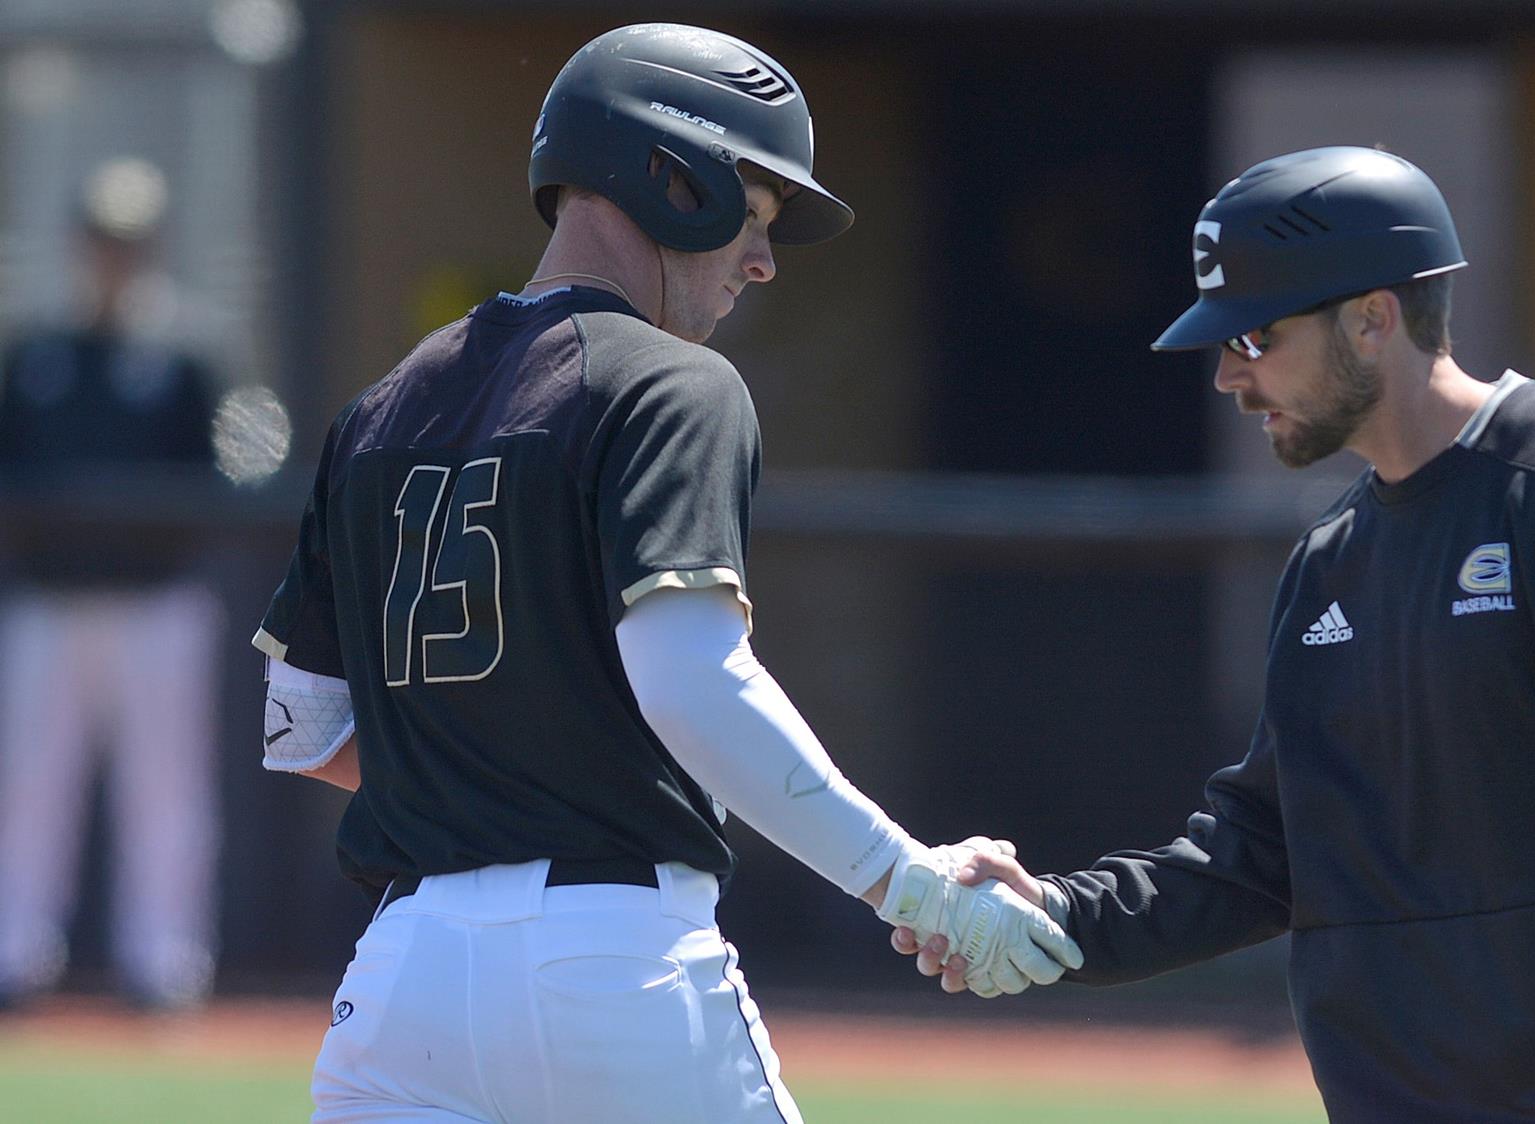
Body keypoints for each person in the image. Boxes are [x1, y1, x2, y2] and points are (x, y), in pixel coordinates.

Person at [252, 24, 1078, 1124]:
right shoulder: (674, 384)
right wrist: (908, 878)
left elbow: (298, 727)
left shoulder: (379, 406)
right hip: (614, 960)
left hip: (400, 978)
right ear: (669, 173)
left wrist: (485, 781)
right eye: (756, 210)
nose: (761, 259)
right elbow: (689, 675)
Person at [895, 147, 1535, 1124]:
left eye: (1254, 337)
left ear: (1371, 318)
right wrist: (1057, 911)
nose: (1227, 377)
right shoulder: (1330, 555)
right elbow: (1260, 846)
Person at [0, 157, 223, 1012]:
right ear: (76, 244)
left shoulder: (184, 355)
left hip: (156, 605)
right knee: (29, 786)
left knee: (166, 790)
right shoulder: (35, 357)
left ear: (151, 248)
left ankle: (166, 964)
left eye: (128, 241)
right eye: (100, 239)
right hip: (48, 606)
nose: (112, 256)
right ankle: (19, 957)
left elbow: (224, 475)